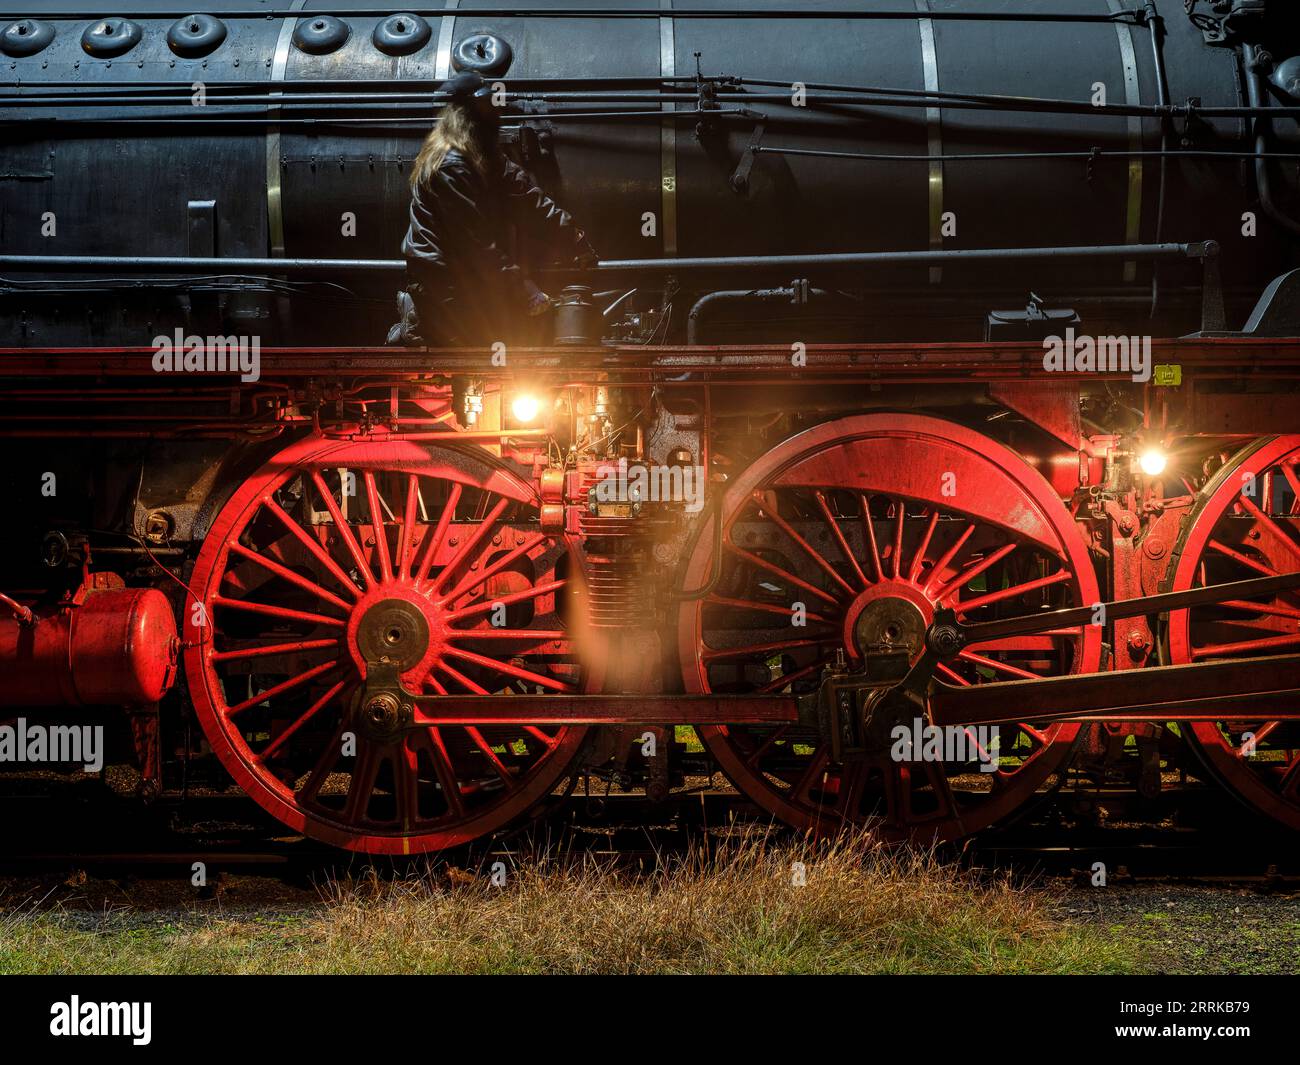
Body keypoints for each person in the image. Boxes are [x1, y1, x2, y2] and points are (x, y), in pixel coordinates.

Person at [389, 71, 599, 346]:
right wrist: (523, 288)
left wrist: (574, 239)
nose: (495, 115)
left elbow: (526, 198)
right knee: (505, 337)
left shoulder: (483, 155)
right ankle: (417, 322)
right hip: (444, 282)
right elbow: (473, 245)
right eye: (487, 107)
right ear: (468, 115)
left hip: (468, 278)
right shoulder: (450, 166)